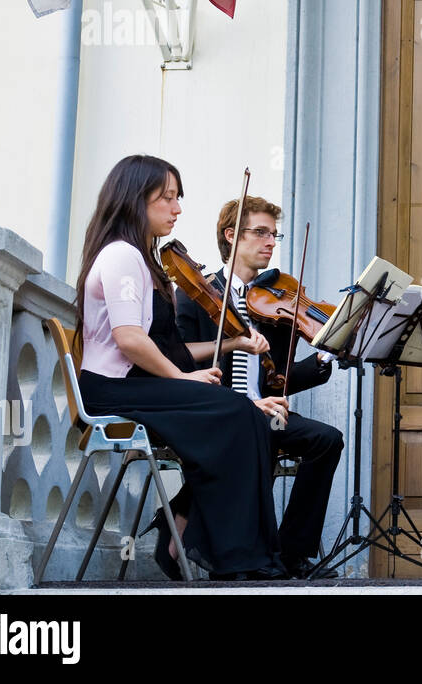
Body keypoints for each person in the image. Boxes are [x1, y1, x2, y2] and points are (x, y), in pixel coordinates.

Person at [74, 154, 285, 580]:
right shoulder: (121, 256)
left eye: (177, 197)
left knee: (244, 416)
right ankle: (234, 557)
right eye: (167, 198)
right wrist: (184, 378)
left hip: (130, 385)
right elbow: (130, 339)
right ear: (136, 200)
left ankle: (211, 546)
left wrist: (227, 345)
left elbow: (157, 344)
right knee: (237, 414)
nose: (177, 208)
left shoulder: (138, 258)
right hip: (111, 390)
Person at [174, 195, 343, 579]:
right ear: (231, 235)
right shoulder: (199, 293)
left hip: (262, 411)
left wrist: (321, 360)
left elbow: (278, 379)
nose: (270, 242)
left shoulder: (273, 299)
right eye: (261, 233)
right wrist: (247, 404)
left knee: (326, 439)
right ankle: (246, 553)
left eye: (274, 234)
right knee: (258, 433)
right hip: (219, 412)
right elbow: (182, 365)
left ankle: (292, 552)